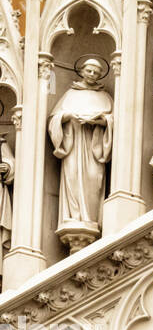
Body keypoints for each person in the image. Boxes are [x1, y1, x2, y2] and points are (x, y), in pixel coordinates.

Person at [48, 56, 113, 247]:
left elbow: (115, 122)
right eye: (89, 71)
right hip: (74, 146)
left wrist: (99, 121)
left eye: (96, 72)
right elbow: (53, 120)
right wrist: (67, 116)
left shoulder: (105, 97)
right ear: (82, 71)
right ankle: (74, 217)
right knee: (73, 178)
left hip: (94, 147)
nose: (92, 75)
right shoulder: (69, 94)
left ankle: (90, 218)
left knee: (94, 178)